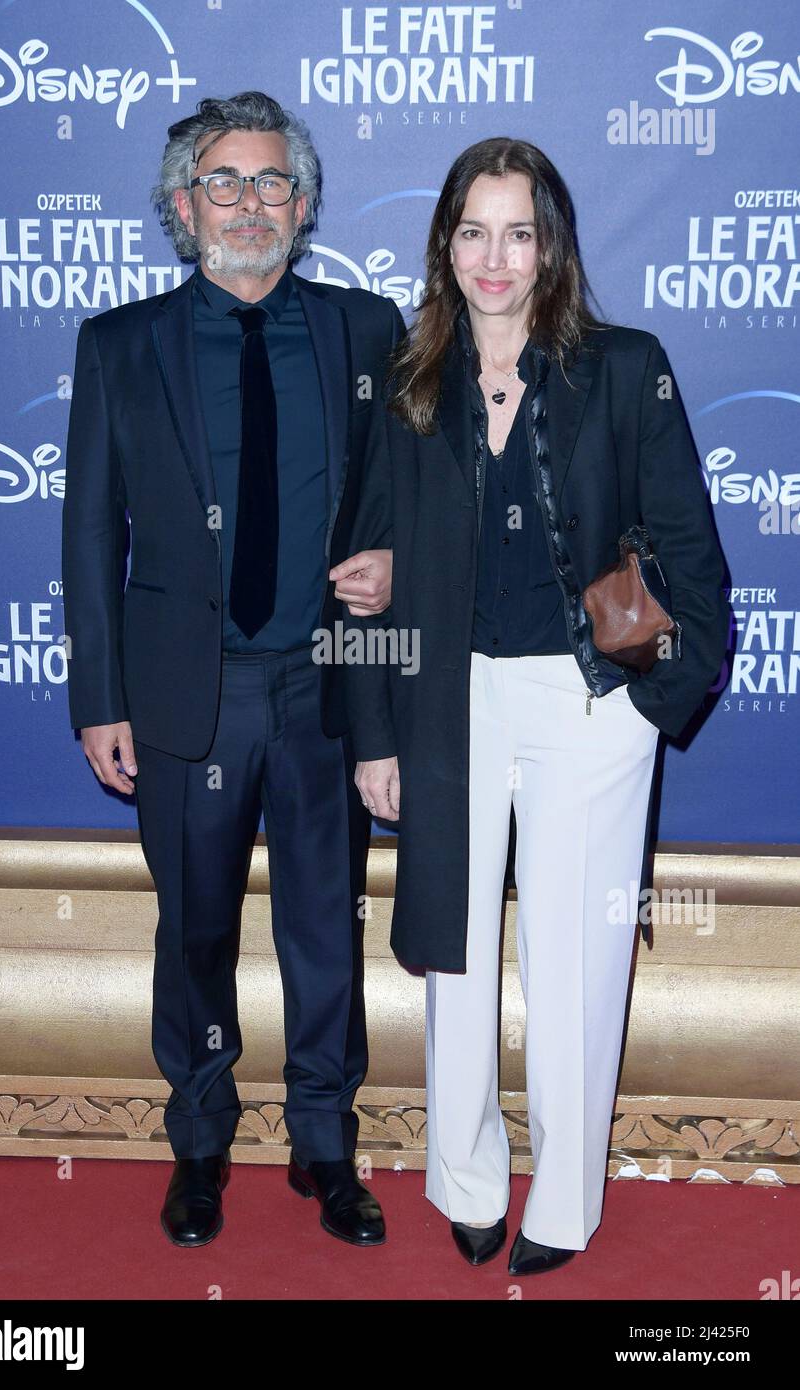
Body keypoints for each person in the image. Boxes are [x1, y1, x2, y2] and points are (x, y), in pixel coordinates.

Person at [345, 137, 730, 1274]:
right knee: (451, 957)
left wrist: (645, 708)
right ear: (446, 245)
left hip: (588, 700)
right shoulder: (410, 384)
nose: (496, 256)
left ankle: (564, 1201)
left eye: (519, 231)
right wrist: (375, 733)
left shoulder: (623, 366)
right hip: (448, 699)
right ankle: (465, 1178)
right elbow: (363, 569)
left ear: (551, 242)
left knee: (577, 959)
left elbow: (696, 563)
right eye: (474, 230)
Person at [62, 91, 405, 1249]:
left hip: (326, 687)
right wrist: (99, 698)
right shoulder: (119, 344)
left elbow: (414, 497)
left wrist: (395, 562)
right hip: (182, 695)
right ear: (180, 204)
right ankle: (200, 1144)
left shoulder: (367, 331)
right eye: (224, 181)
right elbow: (87, 533)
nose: (248, 203)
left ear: (303, 205)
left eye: (271, 182)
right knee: (194, 930)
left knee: (325, 928)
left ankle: (326, 1149)